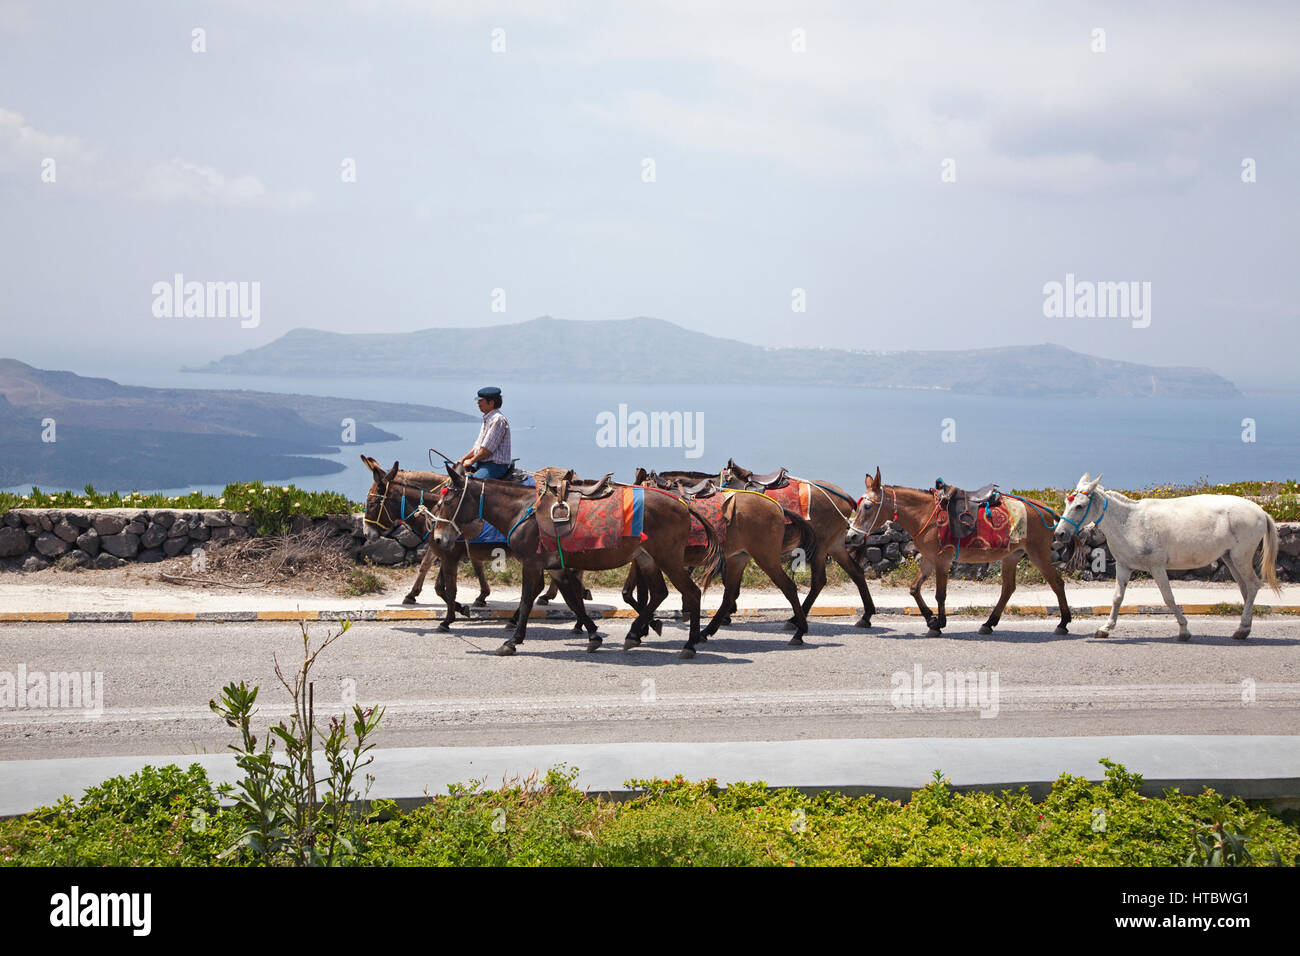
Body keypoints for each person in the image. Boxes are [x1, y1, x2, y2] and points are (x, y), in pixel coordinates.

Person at [457, 386, 512, 479]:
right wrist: (463, 459)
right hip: (482, 463)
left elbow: (487, 450)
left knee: (471, 484)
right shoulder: (488, 419)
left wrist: (471, 461)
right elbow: (477, 448)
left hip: (495, 466)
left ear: (491, 403)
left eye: (480, 401)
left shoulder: (497, 420)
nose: (478, 403)